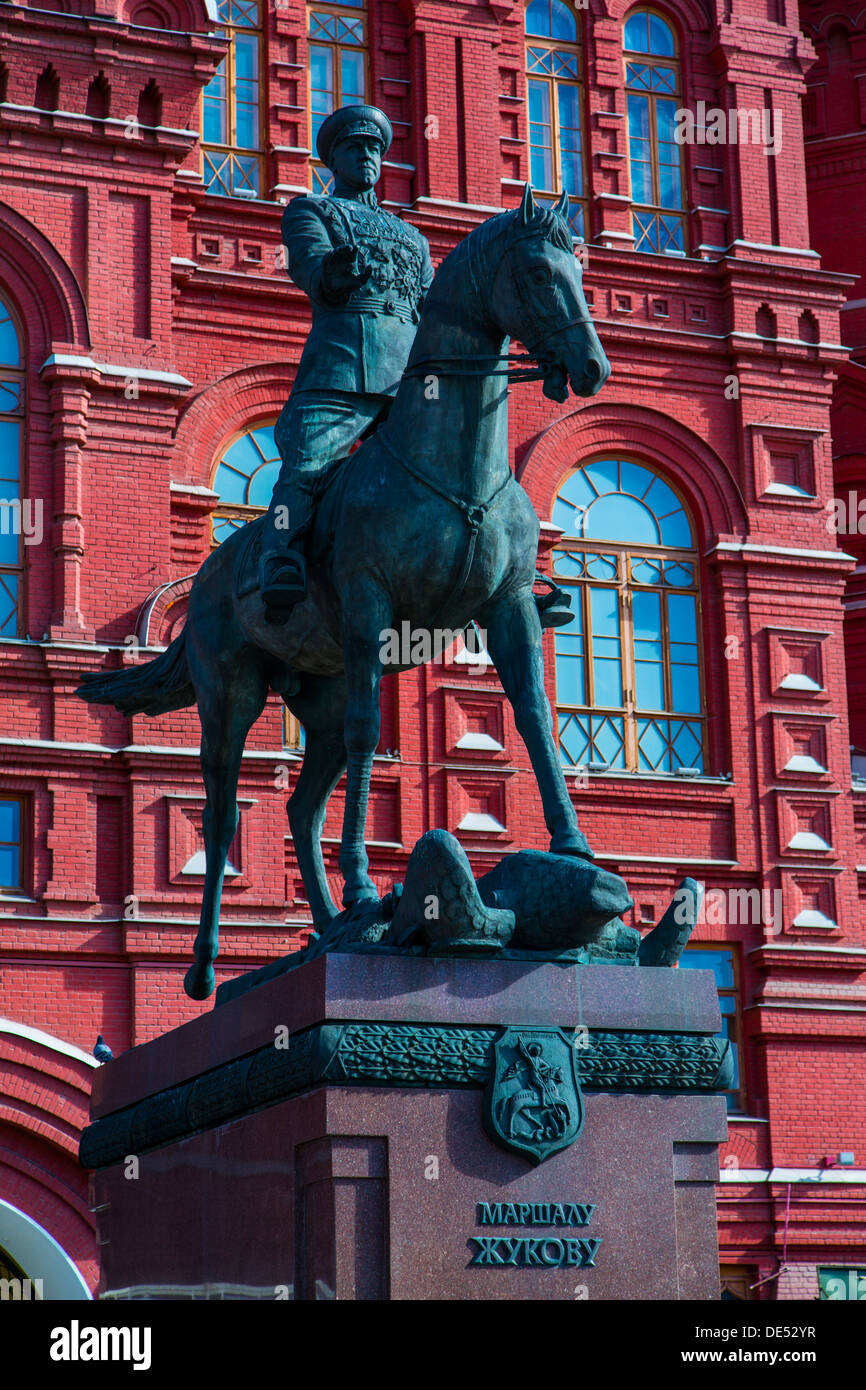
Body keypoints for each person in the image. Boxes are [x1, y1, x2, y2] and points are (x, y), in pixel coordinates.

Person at [260, 103, 434, 620]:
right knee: (308, 464)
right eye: (356, 148)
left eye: (376, 149)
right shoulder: (311, 211)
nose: (368, 157)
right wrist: (335, 271)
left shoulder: (411, 237)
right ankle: (280, 555)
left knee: (462, 460)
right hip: (344, 369)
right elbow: (311, 269)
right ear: (333, 157)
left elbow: (431, 306)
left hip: (408, 381)